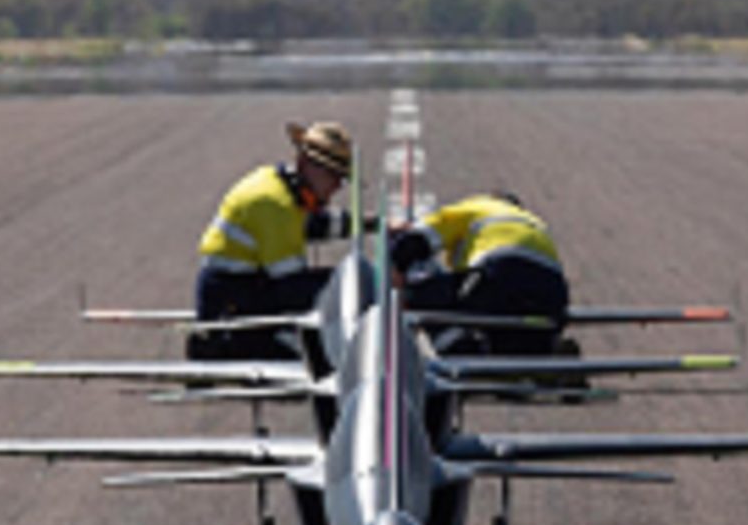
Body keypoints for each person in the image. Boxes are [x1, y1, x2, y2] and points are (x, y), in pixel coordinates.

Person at [189, 119, 352, 360]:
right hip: (233, 301)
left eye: (342, 177)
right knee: (335, 289)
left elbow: (311, 226)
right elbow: (292, 288)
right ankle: (217, 345)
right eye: (333, 175)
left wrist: (373, 224)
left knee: (333, 284)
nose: (338, 185)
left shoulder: (279, 185)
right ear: (305, 164)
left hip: (241, 289)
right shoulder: (276, 204)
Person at [391, 191, 570, 356]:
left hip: (500, 275)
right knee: (513, 338)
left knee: (423, 296)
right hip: (553, 292)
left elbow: (416, 240)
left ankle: (459, 354)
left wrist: (397, 270)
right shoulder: (534, 222)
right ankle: (545, 359)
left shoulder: (475, 208)